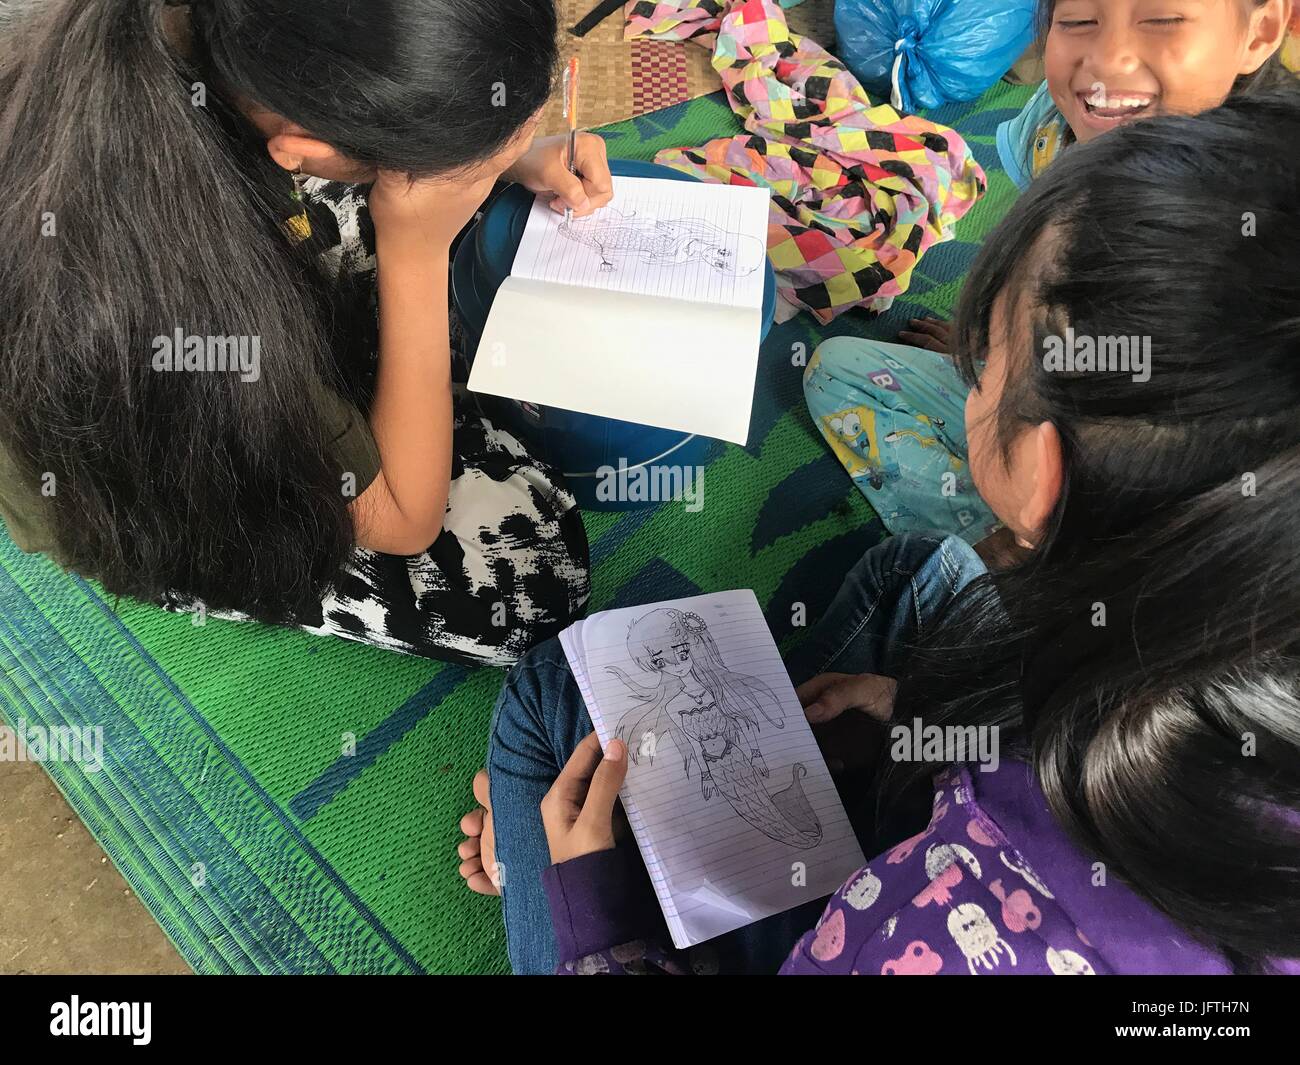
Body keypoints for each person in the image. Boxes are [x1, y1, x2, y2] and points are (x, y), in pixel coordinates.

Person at [459, 91, 1300, 974]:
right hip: (986, 798)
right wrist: (917, 725)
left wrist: (594, 916)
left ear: (1043, 477)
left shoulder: (959, 928)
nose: (966, 383)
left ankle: (558, 869)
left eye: (981, 366)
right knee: (923, 571)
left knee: (552, 691)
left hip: (902, 905)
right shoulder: (1215, 648)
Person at [0, 0, 611, 665]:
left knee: (421, 233)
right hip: (148, 471)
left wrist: (492, 156)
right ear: (303, 151)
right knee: (532, 577)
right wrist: (418, 250)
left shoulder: (200, 36)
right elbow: (404, 519)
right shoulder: (193, 310)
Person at [804, 0, 1292, 550]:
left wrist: (1025, 531)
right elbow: (1029, 267)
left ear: (1263, 29)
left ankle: (1012, 553)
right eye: (1078, 21)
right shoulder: (1053, 130)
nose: (1107, 59)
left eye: (1162, 20)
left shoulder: (1254, 230)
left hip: (1148, 513)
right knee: (837, 370)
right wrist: (1000, 349)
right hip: (1041, 424)